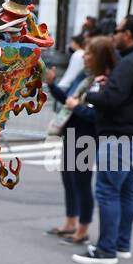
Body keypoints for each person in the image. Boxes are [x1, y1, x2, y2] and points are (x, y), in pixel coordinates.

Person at [69, 13, 133, 264]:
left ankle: (106, 249)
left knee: (108, 190)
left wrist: (89, 96)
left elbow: (111, 100)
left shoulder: (130, 62)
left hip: (121, 134)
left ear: (128, 35)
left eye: (118, 31)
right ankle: (121, 245)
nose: (114, 35)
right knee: (125, 190)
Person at [45, 36, 114, 245]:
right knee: (69, 179)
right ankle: (70, 223)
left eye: (89, 53)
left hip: (87, 138)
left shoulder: (103, 82)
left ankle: (83, 229)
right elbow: (69, 102)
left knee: (82, 183)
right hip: (72, 134)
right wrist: (52, 84)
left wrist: (77, 107)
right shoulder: (87, 78)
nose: (84, 56)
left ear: (100, 57)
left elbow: (96, 116)